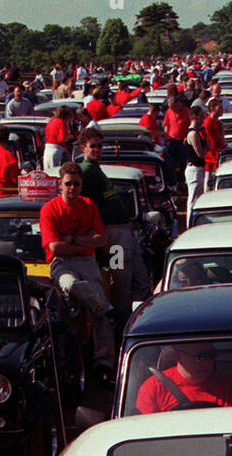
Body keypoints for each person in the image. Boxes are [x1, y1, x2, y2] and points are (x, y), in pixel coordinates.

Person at [39, 162, 115, 383]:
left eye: (77, 184)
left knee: (98, 312)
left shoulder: (89, 205)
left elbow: (102, 240)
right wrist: (85, 240)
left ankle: (104, 364)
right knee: (70, 285)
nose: (72, 188)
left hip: (86, 261)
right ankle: (105, 308)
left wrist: (70, 239)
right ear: (60, 185)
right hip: (60, 263)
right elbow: (54, 247)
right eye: (68, 184)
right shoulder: (49, 209)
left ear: (82, 185)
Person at [77, 130, 150, 318]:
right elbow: (81, 203)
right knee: (120, 279)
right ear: (83, 147)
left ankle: (132, 316)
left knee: (141, 280)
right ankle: (121, 321)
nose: (97, 149)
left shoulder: (95, 169)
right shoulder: (85, 170)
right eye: (92, 146)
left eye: (100, 145)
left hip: (124, 230)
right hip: (112, 233)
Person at [135, 343, 232, 413]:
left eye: (211, 356)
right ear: (178, 356)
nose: (207, 363)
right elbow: (144, 432)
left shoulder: (226, 388)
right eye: (200, 357)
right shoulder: (154, 387)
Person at [184, 105, 208, 222]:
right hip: (194, 169)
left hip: (199, 168)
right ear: (194, 117)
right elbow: (200, 154)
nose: (203, 118)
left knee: (198, 197)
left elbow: (207, 148)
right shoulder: (193, 133)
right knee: (193, 199)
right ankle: (190, 223)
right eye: (201, 116)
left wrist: (205, 135)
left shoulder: (198, 132)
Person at [43, 107, 73, 172]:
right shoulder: (61, 122)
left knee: (48, 173)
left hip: (47, 150)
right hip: (57, 150)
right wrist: (70, 137)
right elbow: (62, 139)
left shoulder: (50, 121)